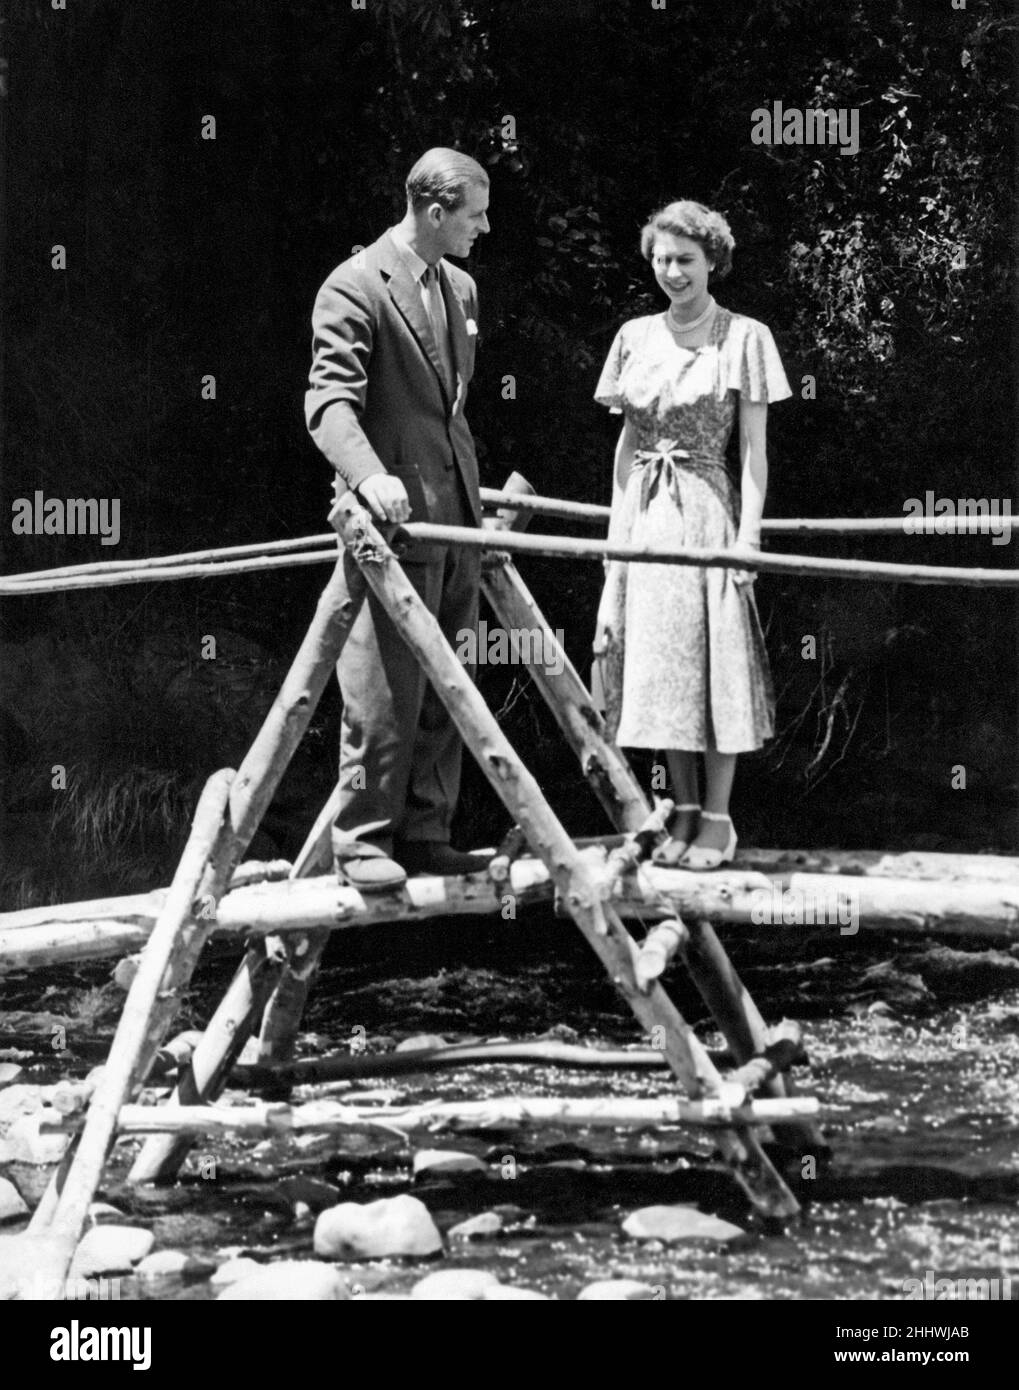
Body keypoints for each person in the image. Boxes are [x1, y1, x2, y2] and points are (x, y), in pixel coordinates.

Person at [305, 148, 491, 886]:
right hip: (389, 522)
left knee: (450, 679)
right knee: (384, 685)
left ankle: (425, 829)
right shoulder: (354, 285)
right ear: (434, 211)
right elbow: (327, 404)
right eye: (474, 214)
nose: (484, 227)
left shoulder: (465, 289)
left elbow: (448, 408)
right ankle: (362, 839)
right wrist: (370, 476)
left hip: (457, 517)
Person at [592, 199, 791, 869]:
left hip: (708, 512)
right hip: (647, 518)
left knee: (715, 667)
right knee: (660, 665)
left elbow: (754, 454)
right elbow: (627, 445)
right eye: (661, 260)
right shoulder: (633, 336)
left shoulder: (744, 337)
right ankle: (677, 808)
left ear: (712, 262)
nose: (672, 272)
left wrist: (748, 539)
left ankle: (716, 817)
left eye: (685, 259)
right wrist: (616, 539)